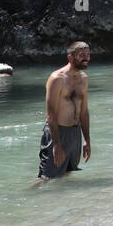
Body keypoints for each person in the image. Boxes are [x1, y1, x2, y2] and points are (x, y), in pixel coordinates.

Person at [37, 41, 92, 180]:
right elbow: (50, 115)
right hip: (58, 133)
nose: (86, 58)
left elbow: (84, 112)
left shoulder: (84, 79)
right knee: (46, 178)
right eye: (81, 55)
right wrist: (56, 144)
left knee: (68, 174)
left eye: (88, 54)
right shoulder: (57, 79)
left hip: (75, 134)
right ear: (70, 58)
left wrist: (87, 140)